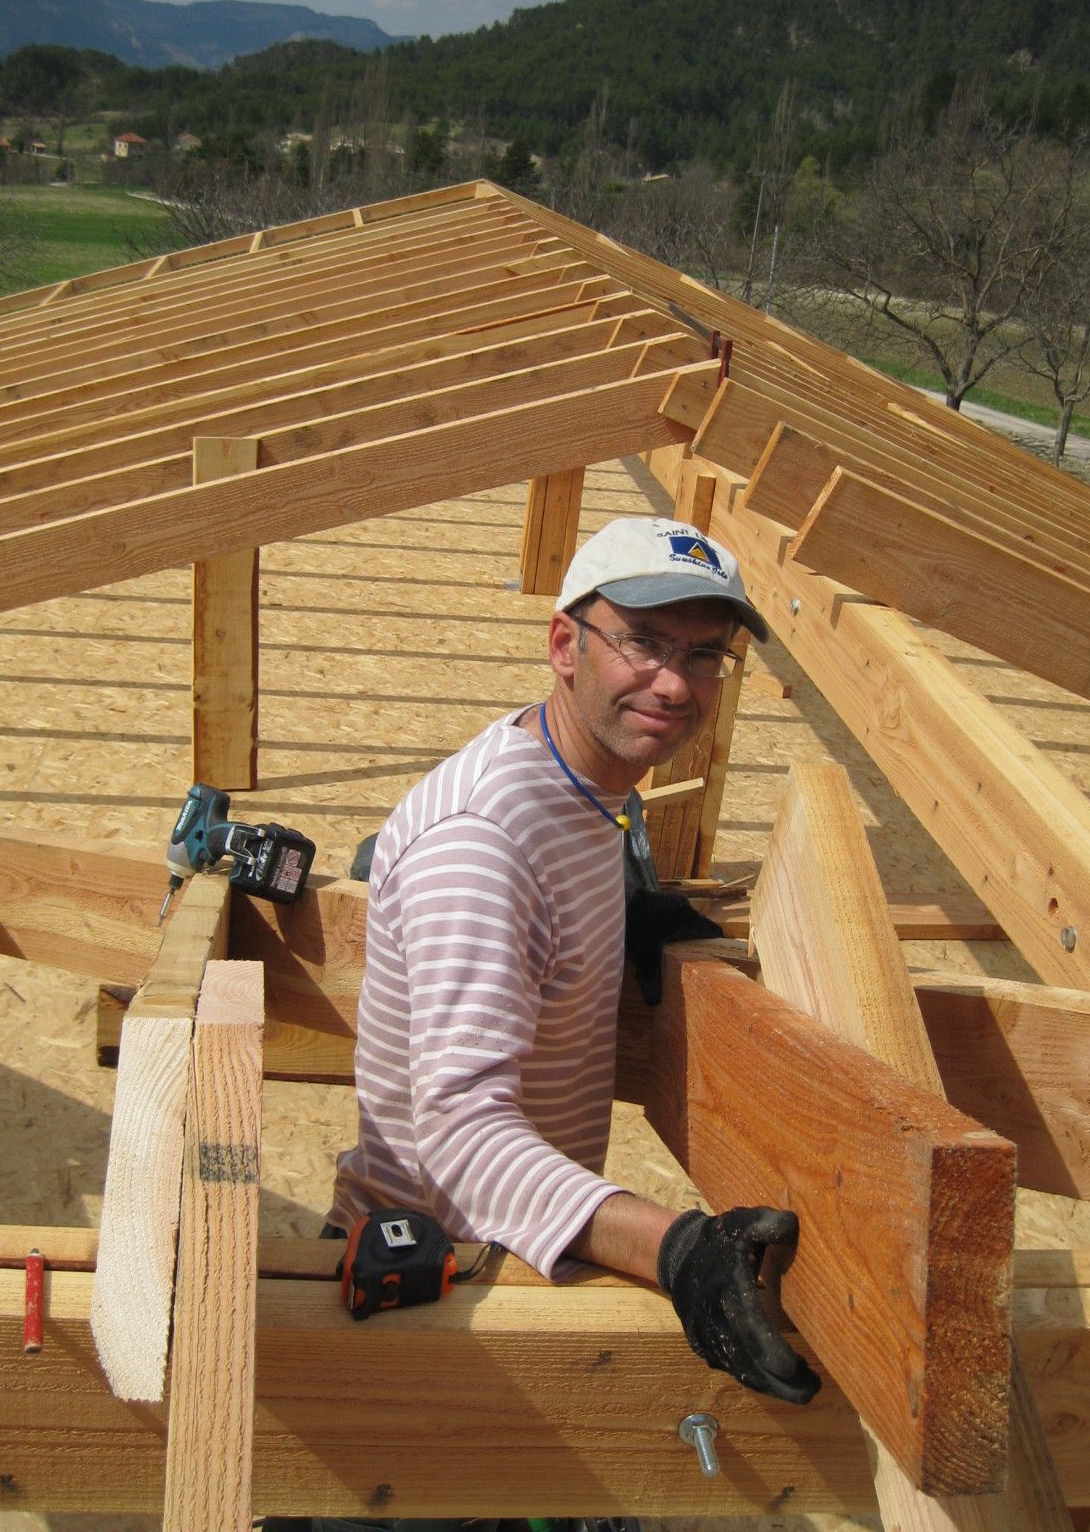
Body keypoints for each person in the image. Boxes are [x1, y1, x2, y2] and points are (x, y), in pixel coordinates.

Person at [328, 516, 819, 1402]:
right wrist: (678, 1252)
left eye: (707, 655)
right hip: (438, 1287)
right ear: (566, 642)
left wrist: (621, 912)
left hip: (507, 1243)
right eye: (644, 642)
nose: (675, 683)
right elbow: (459, 1138)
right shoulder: (481, 843)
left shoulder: (582, 785)